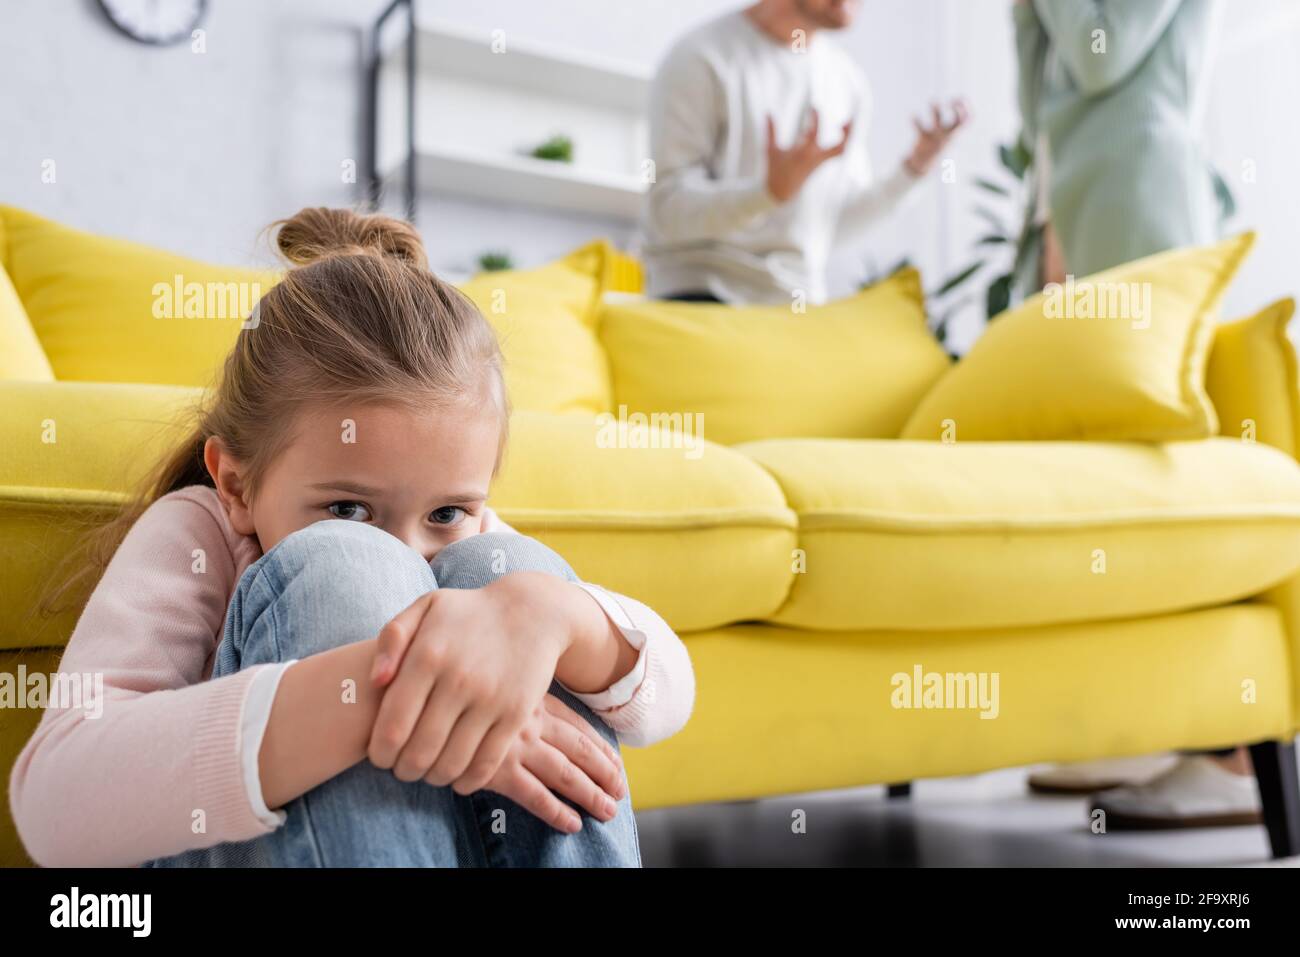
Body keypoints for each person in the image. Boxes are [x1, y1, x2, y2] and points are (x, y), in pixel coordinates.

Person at [8, 208, 696, 867]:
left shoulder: (472, 541)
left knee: (515, 573)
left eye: (447, 511)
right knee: (353, 571)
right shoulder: (200, 532)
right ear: (238, 485)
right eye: (347, 506)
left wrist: (550, 616)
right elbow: (53, 803)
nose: (407, 550)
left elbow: (670, 695)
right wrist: (374, 697)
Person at [1013, 0, 1248, 830]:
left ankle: (1233, 753)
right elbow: (1052, 94)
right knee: (1107, 481)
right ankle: (1148, 724)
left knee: (1166, 466)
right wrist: (1049, 228)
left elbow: (1100, 55)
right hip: (1086, 199)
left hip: (1138, 189)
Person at [642, 0, 966, 305]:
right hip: (703, 295)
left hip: (797, 303)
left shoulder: (846, 82)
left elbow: (830, 227)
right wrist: (767, 193)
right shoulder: (701, 57)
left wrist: (915, 167)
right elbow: (668, 212)